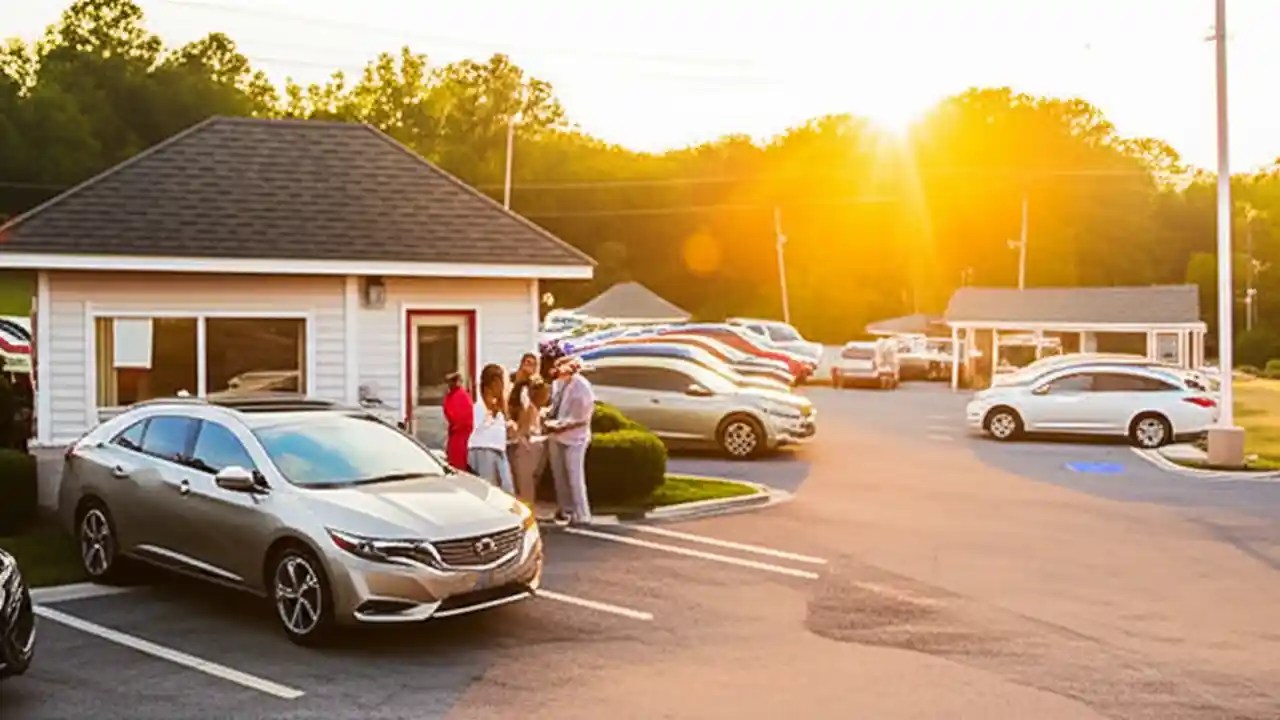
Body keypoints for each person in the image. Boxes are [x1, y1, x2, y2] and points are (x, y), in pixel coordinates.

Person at [546, 356, 594, 525]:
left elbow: (583, 418)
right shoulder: (558, 384)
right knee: (559, 476)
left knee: (574, 476)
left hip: (576, 437)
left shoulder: (582, 387)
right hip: (556, 435)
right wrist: (547, 415)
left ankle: (582, 514)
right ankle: (566, 510)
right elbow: (555, 406)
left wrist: (564, 426)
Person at [468, 363, 515, 493]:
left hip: (499, 449)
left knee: (507, 488)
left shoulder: (499, 406)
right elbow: (475, 427)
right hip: (482, 449)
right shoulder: (478, 406)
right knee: (488, 489)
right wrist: (490, 413)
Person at [509, 376, 550, 505]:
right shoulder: (531, 409)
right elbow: (524, 430)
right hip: (530, 447)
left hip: (530, 447)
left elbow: (524, 430)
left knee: (527, 483)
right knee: (527, 484)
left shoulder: (533, 409)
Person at [441, 372, 472, 470]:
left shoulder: (459, 396)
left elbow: (458, 418)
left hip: (462, 435)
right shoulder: (455, 396)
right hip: (457, 434)